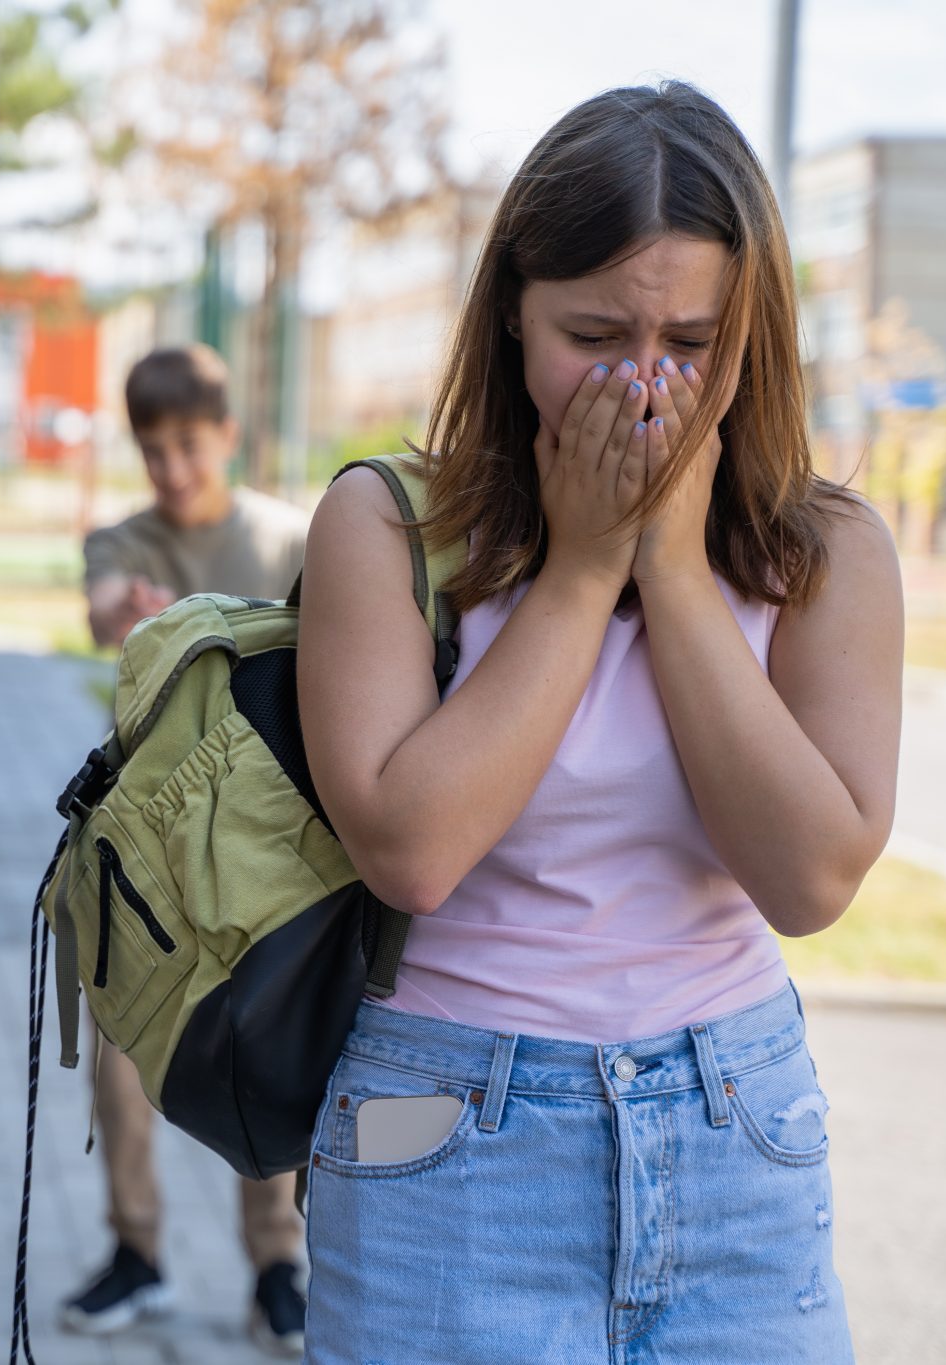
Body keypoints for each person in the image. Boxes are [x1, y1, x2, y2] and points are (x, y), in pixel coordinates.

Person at [294, 81, 899, 1362]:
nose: (640, 387)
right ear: (510, 316)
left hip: (732, 1132)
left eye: (689, 343)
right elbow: (410, 849)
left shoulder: (824, 552)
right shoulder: (387, 526)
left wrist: (671, 571)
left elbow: (808, 878)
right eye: (591, 334)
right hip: (447, 1139)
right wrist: (578, 573)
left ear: (751, 338)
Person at [66, 344, 313, 1356]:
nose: (170, 468)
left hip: (260, 850)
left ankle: (275, 1267)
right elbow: (101, 612)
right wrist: (126, 618)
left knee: (264, 1052)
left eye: (187, 444)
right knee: (120, 1062)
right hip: (134, 846)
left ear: (226, 436)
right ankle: (136, 1252)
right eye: (151, 448)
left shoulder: (287, 538)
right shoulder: (119, 542)